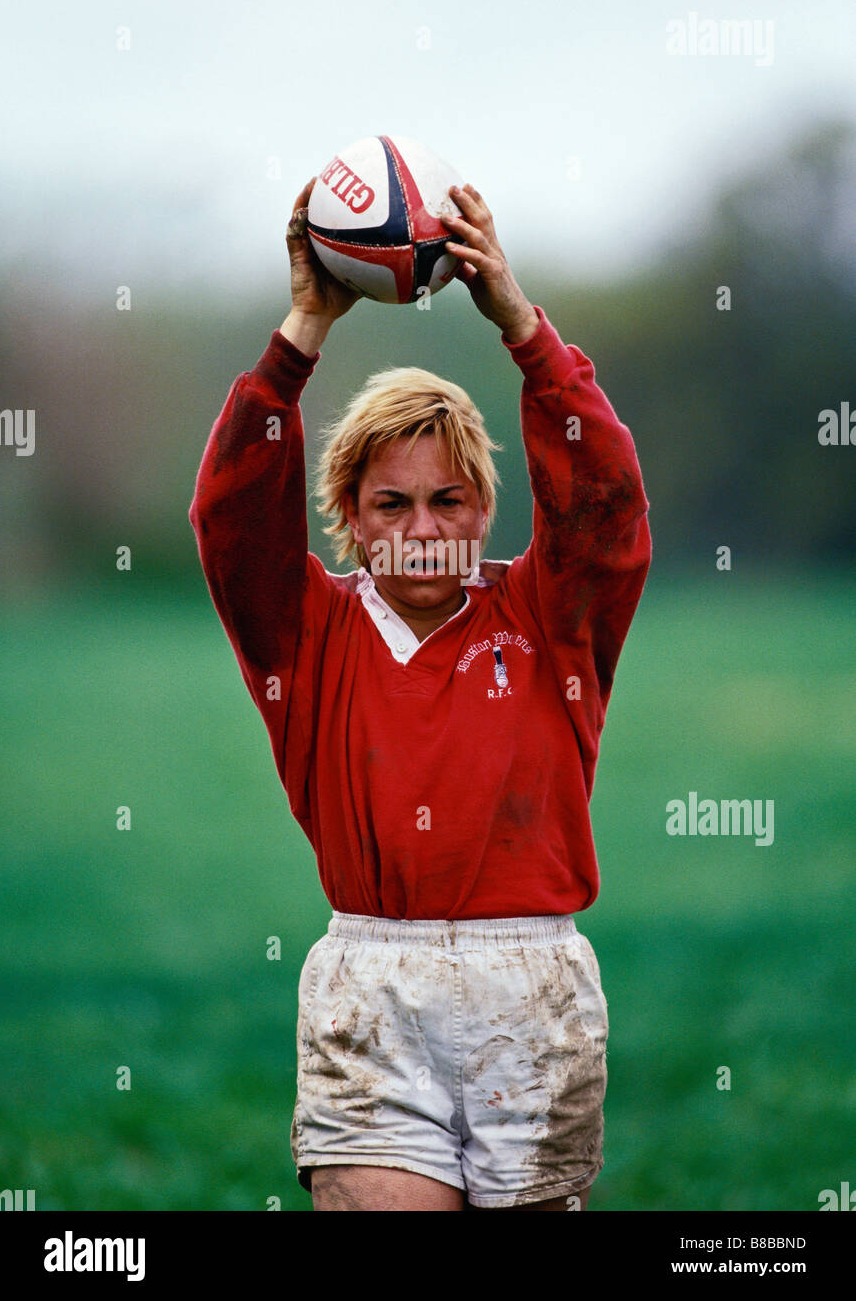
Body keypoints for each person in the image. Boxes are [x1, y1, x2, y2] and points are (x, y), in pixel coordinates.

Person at [189, 176, 652, 1212]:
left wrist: (523, 329)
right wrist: (304, 327)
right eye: (389, 502)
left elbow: (608, 503)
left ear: (488, 505)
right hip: (371, 987)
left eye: (449, 497)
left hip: (532, 991)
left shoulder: (549, 616)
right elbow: (229, 517)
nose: (422, 522)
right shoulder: (309, 631)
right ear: (349, 517)